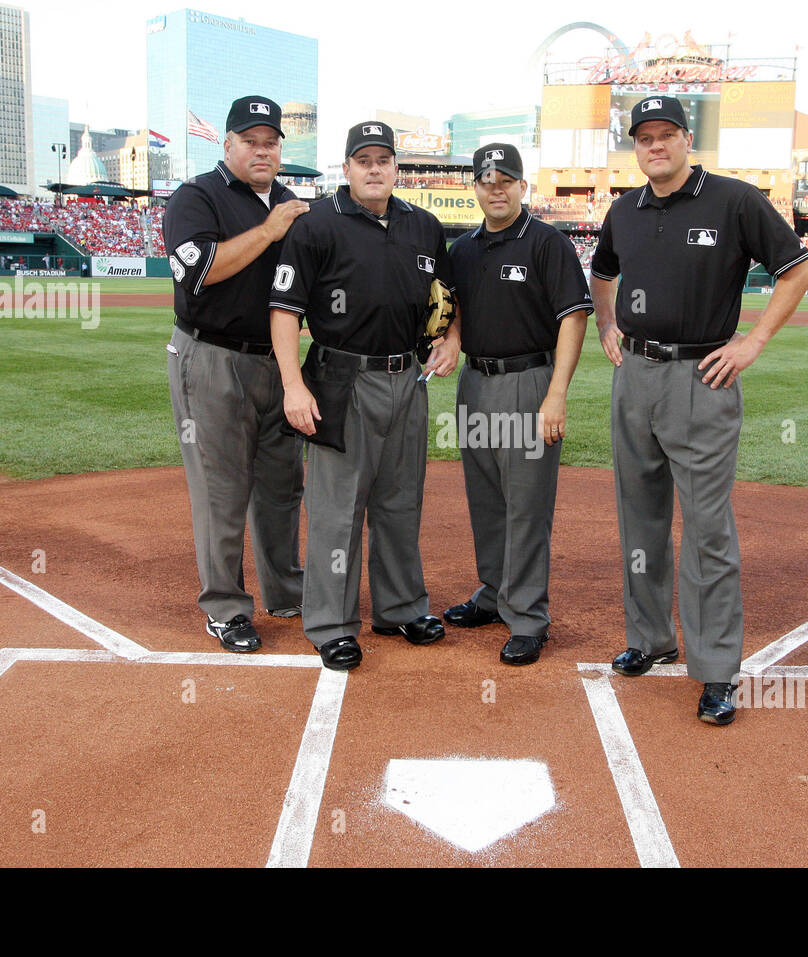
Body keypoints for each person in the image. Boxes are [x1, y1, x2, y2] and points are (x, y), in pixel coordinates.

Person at [589, 95, 808, 724]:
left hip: (702, 376)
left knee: (707, 530)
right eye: (644, 137)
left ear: (688, 141)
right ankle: (650, 638)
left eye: (666, 135)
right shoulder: (624, 209)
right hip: (634, 374)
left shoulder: (734, 200)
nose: (655, 146)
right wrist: (607, 322)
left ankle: (715, 670)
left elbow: (798, 269)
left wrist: (754, 340)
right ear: (635, 147)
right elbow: (601, 272)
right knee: (640, 517)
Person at [269, 121, 458, 672]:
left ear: (397, 167)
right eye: (363, 160)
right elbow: (284, 312)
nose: (374, 169)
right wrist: (292, 385)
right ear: (347, 167)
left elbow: (447, 298)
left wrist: (451, 340)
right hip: (341, 379)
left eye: (384, 159)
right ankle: (330, 622)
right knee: (337, 509)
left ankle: (400, 606)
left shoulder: (423, 225)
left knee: (401, 502)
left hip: (408, 379)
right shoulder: (316, 226)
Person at [162, 95, 310, 653]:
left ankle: (286, 591)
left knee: (280, 486)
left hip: (280, 361)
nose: (262, 150)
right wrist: (271, 231)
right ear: (227, 144)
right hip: (212, 357)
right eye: (250, 141)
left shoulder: (292, 203)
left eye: (271, 141)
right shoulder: (195, 197)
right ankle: (226, 607)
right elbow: (199, 270)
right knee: (222, 489)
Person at [442, 143, 591, 666]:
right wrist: (455, 336)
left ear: (522, 186)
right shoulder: (462, 250)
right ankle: (494, 593)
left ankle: (527, 615)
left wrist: (556, 394)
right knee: (486, 499)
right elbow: (455, 309)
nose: (495, 188)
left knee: (526, 506)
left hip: (529, 382)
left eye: (506, 179)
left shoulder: (547, 243)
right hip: (475, 383)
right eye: (486, 180)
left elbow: (574, 317)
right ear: (476, 188)